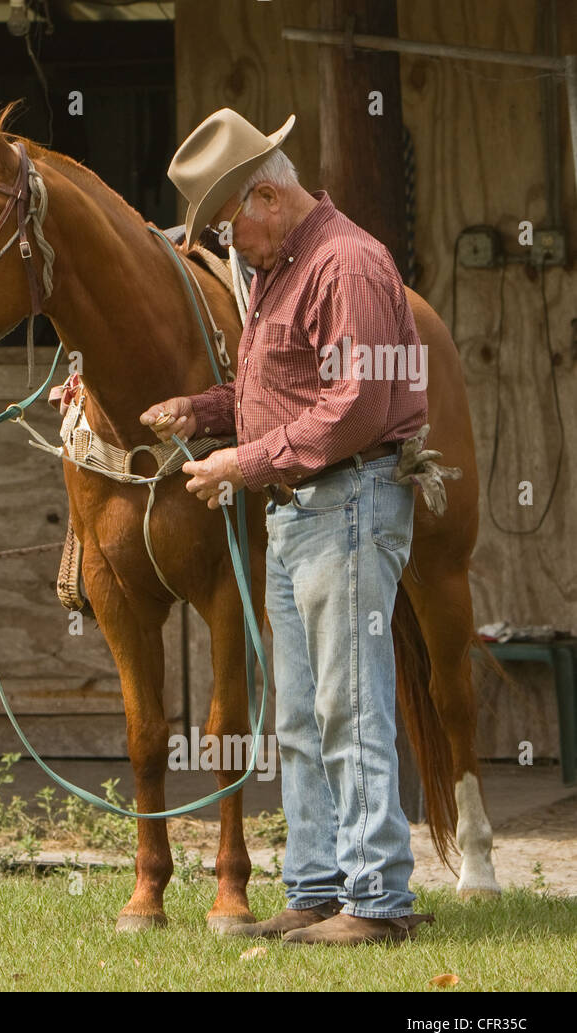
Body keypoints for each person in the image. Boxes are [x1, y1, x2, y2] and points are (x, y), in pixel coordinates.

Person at [140, 108, 434, 945]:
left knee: (350, 707)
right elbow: (280, 393)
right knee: (301, 715)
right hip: (306, 508)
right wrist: (198, 413)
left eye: (230, 224)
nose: (230, 244)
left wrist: (242, 463)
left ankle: (377, 902)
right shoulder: (283, 270)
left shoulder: (348, 265)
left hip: (348, 499)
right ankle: (315, 888)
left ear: (266, 196)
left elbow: (355, 409)